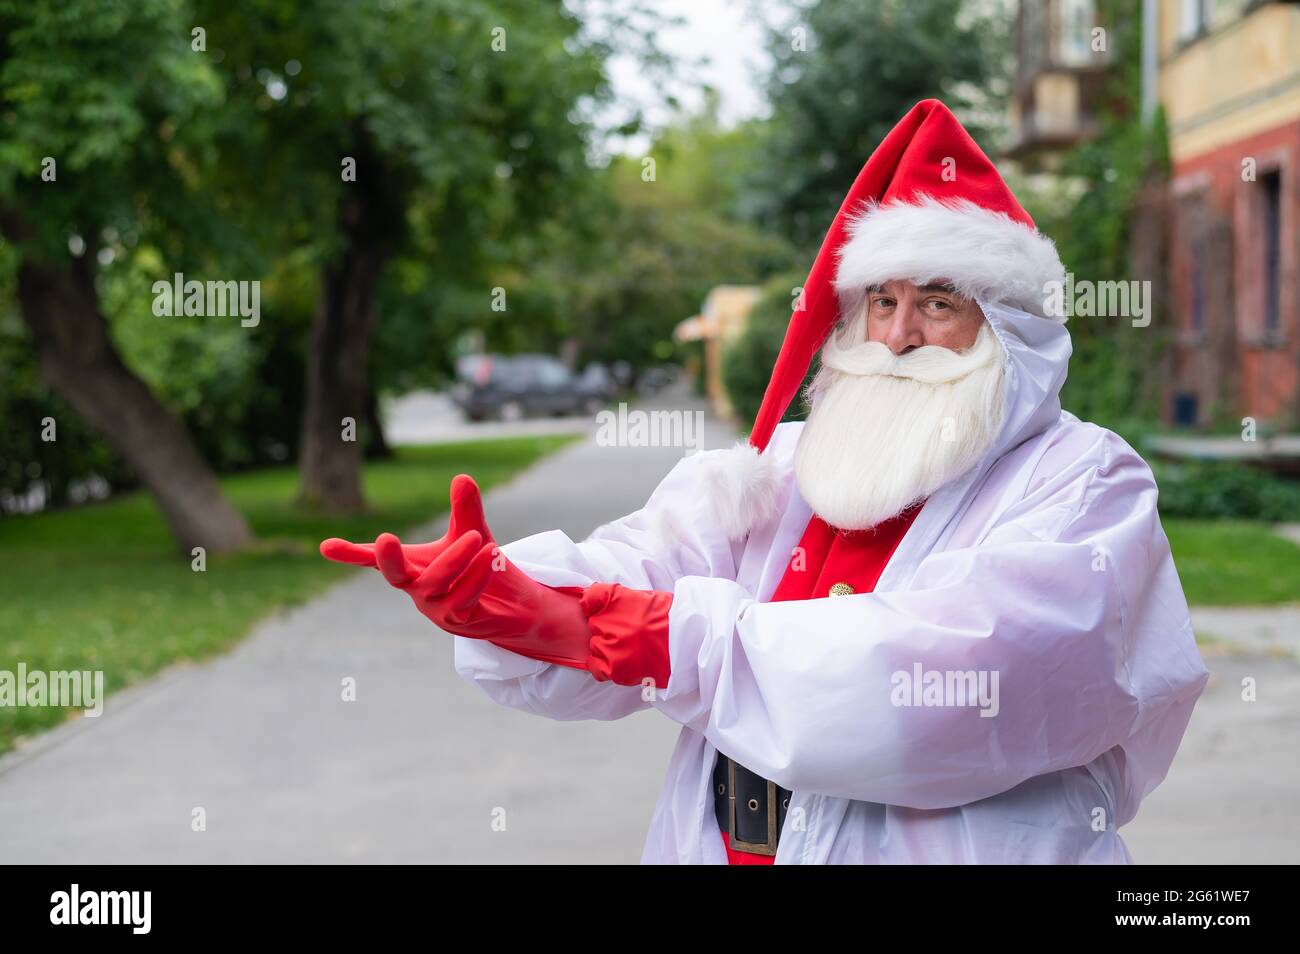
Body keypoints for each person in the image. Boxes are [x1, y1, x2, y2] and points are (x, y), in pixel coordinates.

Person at [321, 99, 1210, 864]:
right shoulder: (781, 466)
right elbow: (637, 575)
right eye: (880, 302)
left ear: (1007, 330)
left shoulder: (1082, 480)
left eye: (938, 302)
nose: (897, 335)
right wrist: (512, 599)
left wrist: (670, 642)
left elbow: (971, 673)